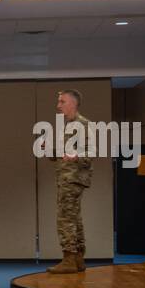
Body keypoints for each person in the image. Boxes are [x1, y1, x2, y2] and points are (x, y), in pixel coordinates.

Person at [48, 88, 92, 273]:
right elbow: (55, 157)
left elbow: (89, 154)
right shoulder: (64, 126)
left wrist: (75, 157)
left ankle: (68, 259)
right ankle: (78, 259)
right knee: (74, 218)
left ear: (73, 103)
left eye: (62, 102)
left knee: (65, 218)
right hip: (65, 178)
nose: (58, 105)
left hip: (73, 178)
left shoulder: (83, 125)